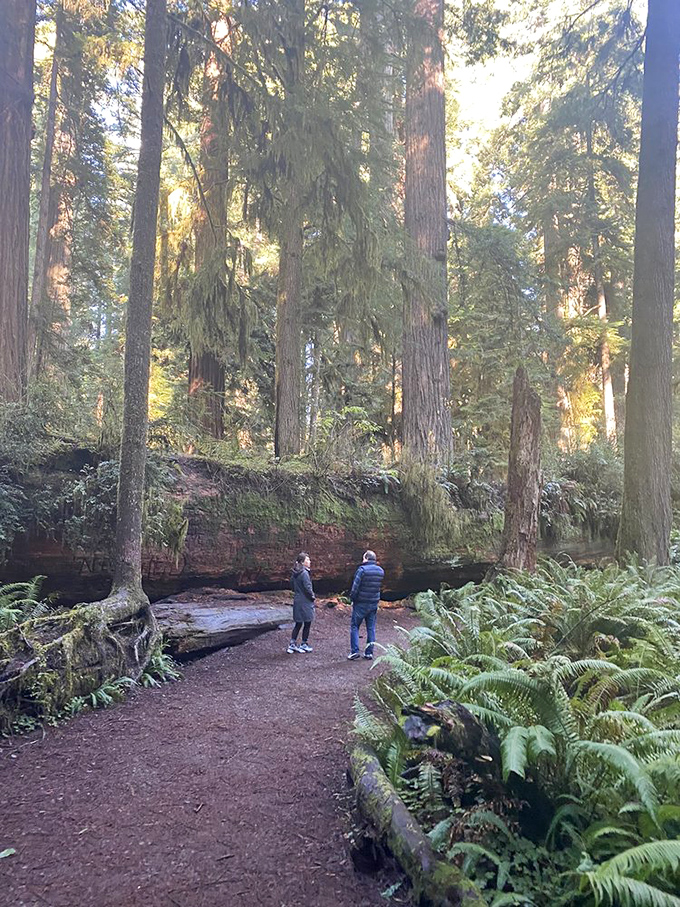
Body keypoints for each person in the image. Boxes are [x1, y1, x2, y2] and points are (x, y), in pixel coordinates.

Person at [348, 550, 384, 661]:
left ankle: (354, 651)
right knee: (371, 628)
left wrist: (352, 598)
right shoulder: (380, 571)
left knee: (355, 626)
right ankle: (369, 652)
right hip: (373, 603)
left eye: (363, 558)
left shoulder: (362, 570)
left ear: (367, 558)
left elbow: (355, 587)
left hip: (361, 604)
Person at [288, 552, 315, 653]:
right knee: (307, 622)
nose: (310, 561)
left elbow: (291, 585)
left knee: (298, 623)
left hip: (298, 599)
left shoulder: (295, 572)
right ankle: (304, 643)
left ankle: (292, 643)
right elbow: (307, 587)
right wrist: (312, 596)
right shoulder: (304, 573)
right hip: (305, 601)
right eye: (307, 560)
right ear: (303, 562)